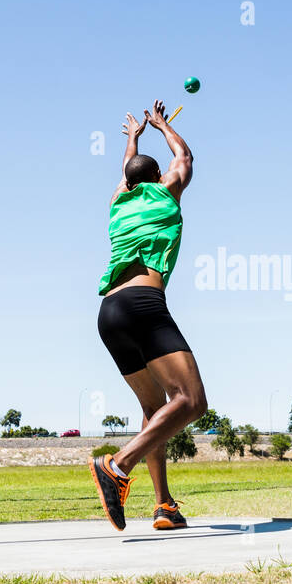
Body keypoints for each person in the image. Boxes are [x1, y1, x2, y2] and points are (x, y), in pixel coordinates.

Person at [90, 99, 208, 531]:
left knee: (154, 407)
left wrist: (133, 140)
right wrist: (161, 125)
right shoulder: (165, 190)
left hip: (108, 313)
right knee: (192, 401)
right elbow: (186, 157)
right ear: (156, 178)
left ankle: (164, 506)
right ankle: (117, 466)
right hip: (143, 304)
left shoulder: (118, 202)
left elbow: (128, 172)